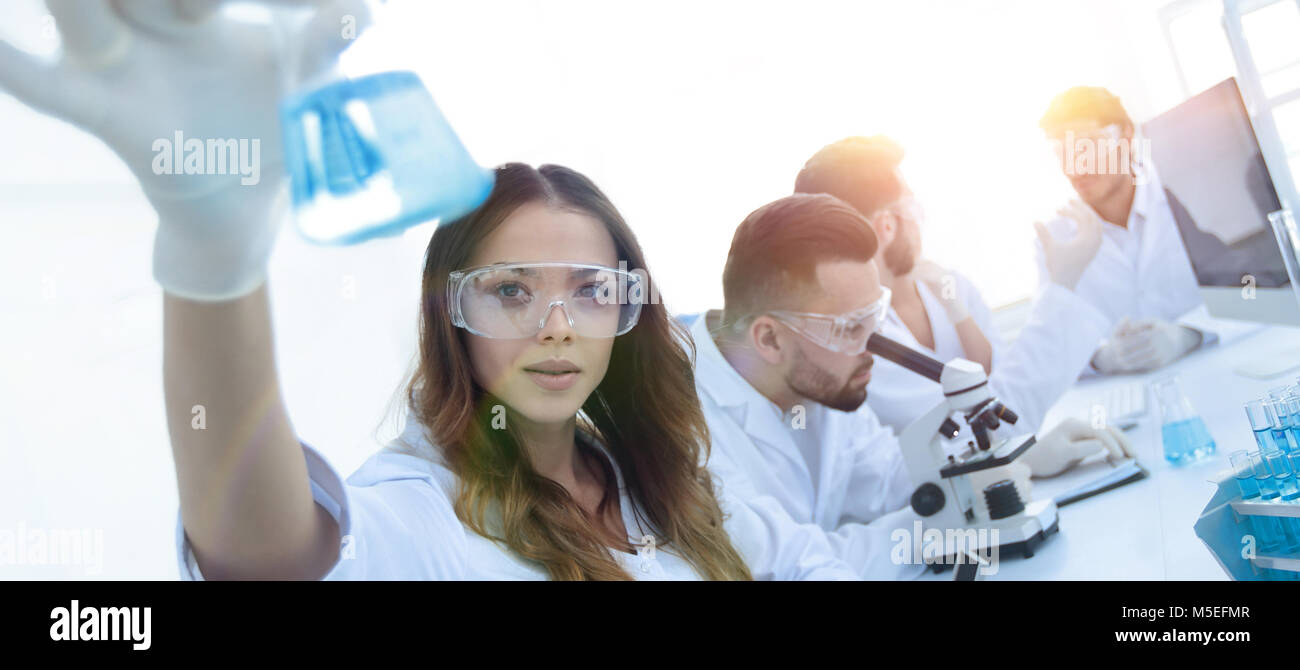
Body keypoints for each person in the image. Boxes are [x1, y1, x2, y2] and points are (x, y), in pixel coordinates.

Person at [0, 1, 860, 580]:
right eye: (511, 291)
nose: (558, 325)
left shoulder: (665, 484)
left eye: (594, 289)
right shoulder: (425, 512)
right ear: (451, 312)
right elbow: (265, 556)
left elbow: (808, 564)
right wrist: (211, 254)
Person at [681, 194, 1134, 579]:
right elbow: (793, 566)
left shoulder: (816, 381)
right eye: (851, 327)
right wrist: (939, 525)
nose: (871, 348)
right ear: (770, 338)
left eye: (874, 318)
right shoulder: (683, 426)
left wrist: (996, 469)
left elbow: (886, 478)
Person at [793, 136, 1118, 450]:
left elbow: (998, 378)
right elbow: (987, 425)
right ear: (886, 226)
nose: (921, 220)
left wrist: (957, 310)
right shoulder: (854, 341)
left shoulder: (951, 285)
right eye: (912, 206)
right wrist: (1062, 285)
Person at [1037, 86, 1215, 374]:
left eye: (1086, 146)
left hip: (1214, 373)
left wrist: (1191, 333)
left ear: (1126, 136)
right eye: (1062, 152)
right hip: (1127, 402)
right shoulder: (1053, 239)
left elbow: (1258, 294)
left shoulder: (1185, 194)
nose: (1074, 167)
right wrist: (1100, 358)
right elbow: (1048, 350)